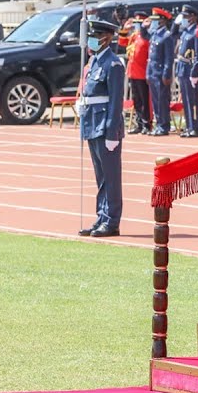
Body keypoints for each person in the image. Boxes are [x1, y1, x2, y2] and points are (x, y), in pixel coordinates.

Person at [78, 17, 125, 238]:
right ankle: (101, 216)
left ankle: (112, 220)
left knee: (111, 176)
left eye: (94, 37)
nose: (90, 41)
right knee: (100, 176)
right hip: (91, 123)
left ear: (105, 39)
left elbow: (116, 101)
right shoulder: (95, 61)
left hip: (106, 126)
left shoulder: (113, 64)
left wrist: (112, 131)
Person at [144, 8, 176, 136]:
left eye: (155, 20)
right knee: (155, 101)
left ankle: (164, 126)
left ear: (162, 20)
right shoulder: (155, 34)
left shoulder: (166, 36)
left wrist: (166, 74)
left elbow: (169, 57)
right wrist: (148, 73)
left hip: (160, 72)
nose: (153, 22)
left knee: (162, 101)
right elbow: (150, 56)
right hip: (153, 72)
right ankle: (159, 124)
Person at [174, 6, 198, 138]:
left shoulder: (197, 32)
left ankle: (195, 127)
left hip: (190, 68)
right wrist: (175, 24)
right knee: (186, 100)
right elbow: (173, 35)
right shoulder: (186, 31)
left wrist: (195, 72)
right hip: (182, 68)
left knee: (192, 100)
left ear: (193, 17)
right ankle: (189, 126)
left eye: (186, 17)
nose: (184, 19)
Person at [126, 13, 151, 134]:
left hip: (142, 72)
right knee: (136, 101)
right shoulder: (134, 36)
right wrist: (124, 29)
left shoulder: (146, 37)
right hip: (133, 72)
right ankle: (139, 123)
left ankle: (147, 123)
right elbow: (122, 43)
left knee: (144, 101)